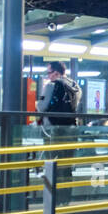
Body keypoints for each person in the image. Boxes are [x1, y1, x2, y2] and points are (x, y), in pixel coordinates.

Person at [40, 61, 82, 201]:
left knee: (53, 165)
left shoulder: (52, 85)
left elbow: (42, 106)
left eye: (49, 72)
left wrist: (39, 100)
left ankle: (54, 199)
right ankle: (66, 198)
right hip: (71, 130)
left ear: (56, 73)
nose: (48, 76)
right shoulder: (74, 85)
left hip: (54, 130)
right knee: (66, 165)